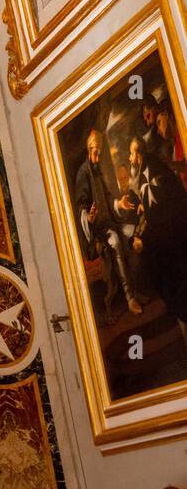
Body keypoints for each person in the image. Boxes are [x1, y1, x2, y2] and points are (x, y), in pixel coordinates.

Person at [72, 130, 140, 321]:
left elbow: (109, 199)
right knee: (117, 241)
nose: (98, 156)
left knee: (133, 232)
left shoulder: (98, 170)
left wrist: (119, 204)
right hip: (99, 231)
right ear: (88, 149)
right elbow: (80, 206)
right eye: (95, 152)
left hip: (112, 221)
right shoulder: (82, 173)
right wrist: (89, 217)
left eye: (100, 152)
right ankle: (130, 297)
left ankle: (137, 287)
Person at [129, 138, 187, 348]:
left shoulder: (154, 177)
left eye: (132, 154)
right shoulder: (150, 172)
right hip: (173, 237)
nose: (130, 158)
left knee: (175, 286)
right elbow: (155, 209)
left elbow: (163, 219)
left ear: (140, 156)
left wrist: (144, 241)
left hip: (177, 242)